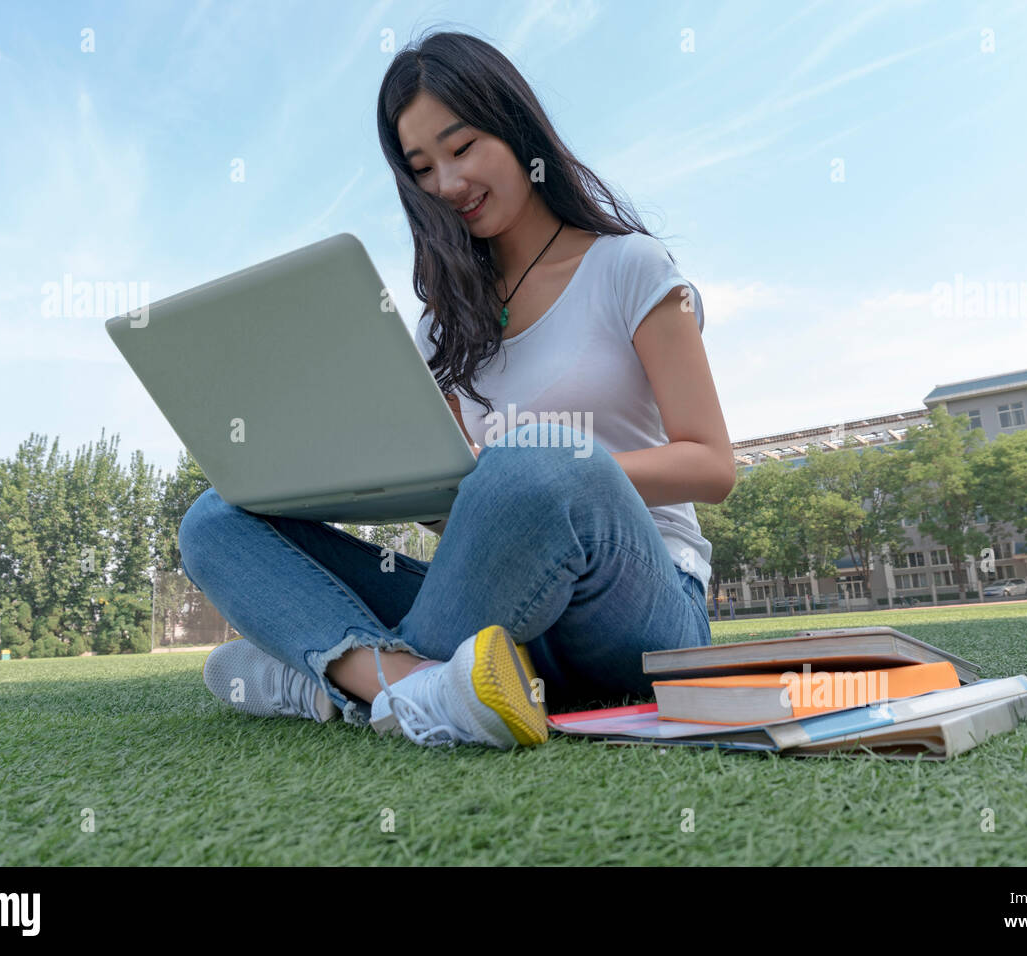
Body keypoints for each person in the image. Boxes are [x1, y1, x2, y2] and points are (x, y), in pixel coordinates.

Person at [179, 31, 733, 750]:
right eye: (421, 168)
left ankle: (334, 677)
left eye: (462, 147)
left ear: (515, 126)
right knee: (215, 518)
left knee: (538, 459)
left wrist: (532, 473)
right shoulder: (441, 328)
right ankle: (411, 686)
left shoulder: (630, 267)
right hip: (506, 619)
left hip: (641, 604)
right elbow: (456, 516)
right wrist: (404, 483)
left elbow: (712, 465)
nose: (446, 183)